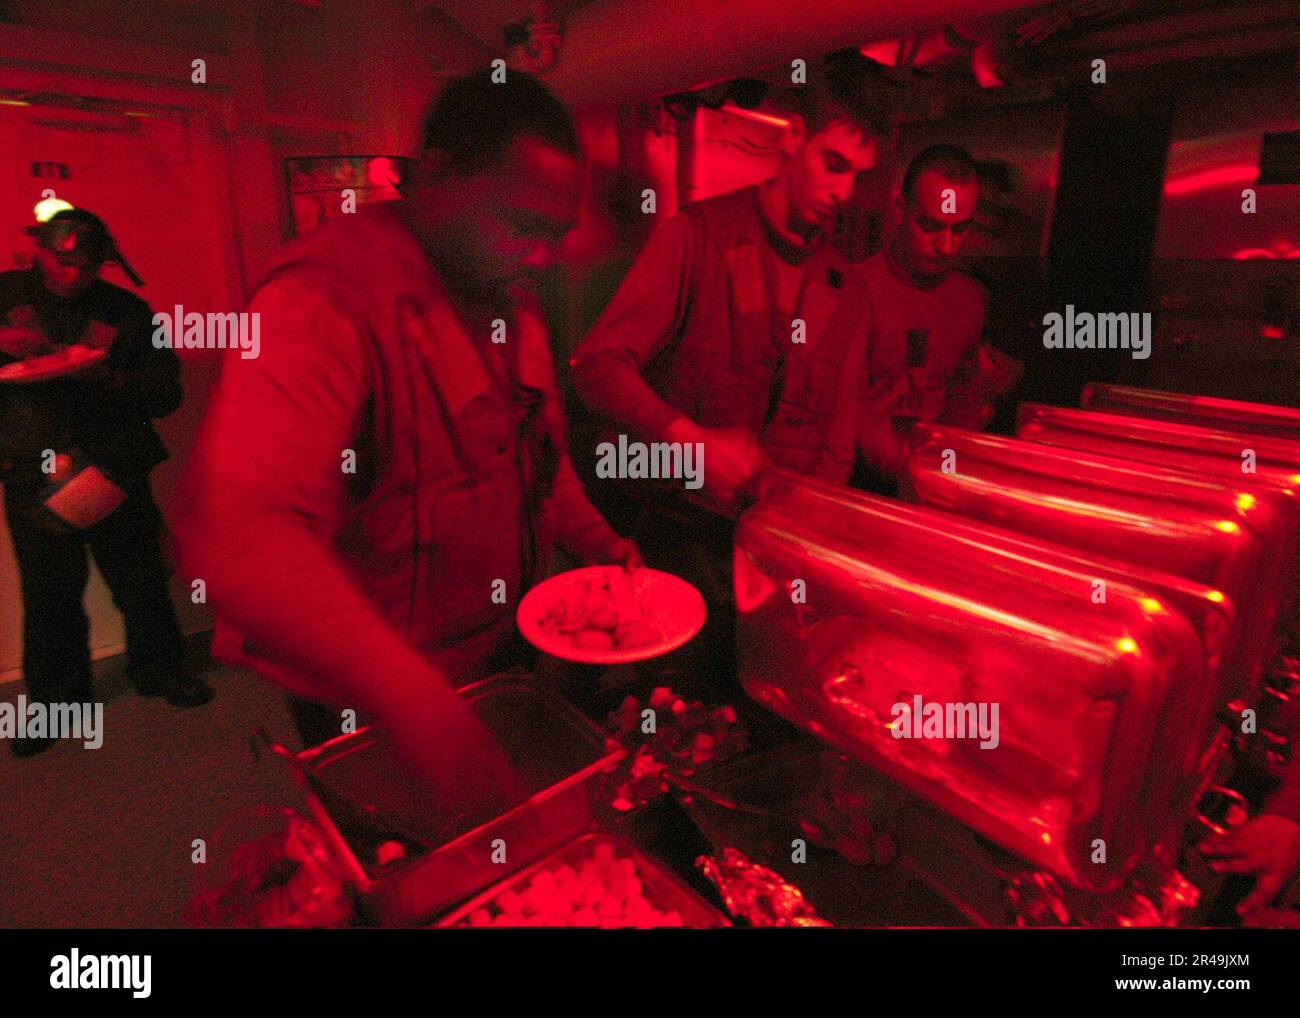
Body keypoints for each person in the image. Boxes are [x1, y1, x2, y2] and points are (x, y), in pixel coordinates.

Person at [171, 70, 638, 827]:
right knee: (398, 865)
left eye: (556, 234)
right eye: (522, 223)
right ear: (438, 178)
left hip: (489, 661)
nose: (545, 257)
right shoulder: (324, 298)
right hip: (368, 697)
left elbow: (537, 456)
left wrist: (595, 539)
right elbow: (239, 538)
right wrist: (419, 706)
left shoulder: (509, 296)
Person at [568, 71, 884, 688]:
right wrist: (689, 442)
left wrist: (805, 550)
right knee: (667, 715)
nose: (844, 191)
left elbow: (839, 443)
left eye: (857, 176)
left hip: (776, 558)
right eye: (834, 163)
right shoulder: (697, 237)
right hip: (677, 538)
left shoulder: (846, 291)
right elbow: (596, 367)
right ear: (793, 137)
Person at [0, 208, 211, 757]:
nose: (72, 275)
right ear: (40, 250)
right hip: (31, 465)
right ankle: (56, 704)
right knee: (49, 597)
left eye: (87, 266)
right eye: (62, 261)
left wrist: (110, 376)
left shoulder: (128, 310)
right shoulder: (4, 294)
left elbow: (167, 394)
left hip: (114, 461)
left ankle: (160, 669)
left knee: (140, 580)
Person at [829, 144, 1022, 494]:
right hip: (858, 486)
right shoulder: (855, 288)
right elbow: (844, 407)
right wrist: (909, 467)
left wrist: (954, 468)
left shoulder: (969, 299)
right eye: (930, 226)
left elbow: (962, 399)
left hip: (929, 482)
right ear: (901, 209)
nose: (946, 246)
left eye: (959, 229)